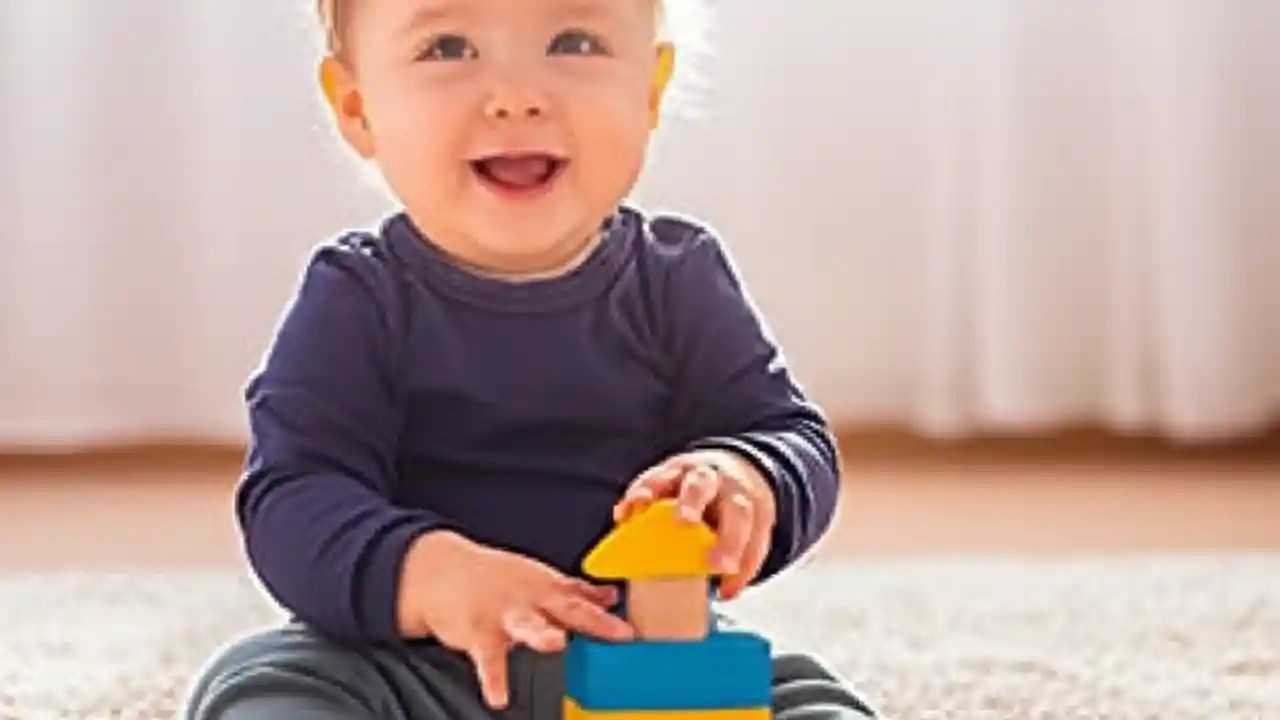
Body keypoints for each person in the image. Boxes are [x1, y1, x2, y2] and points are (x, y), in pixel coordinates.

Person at [183, 0, 877, 717]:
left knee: (805, 696)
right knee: (264, 688)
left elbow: (788, 436)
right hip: (410, 670)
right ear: (358, 109)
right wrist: (428, 575)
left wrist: (742, 475)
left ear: (651, 91)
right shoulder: (358, 297)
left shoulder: (679, 277)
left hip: (642, 657)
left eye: (574, 40)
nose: (517, 97)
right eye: (448, 47)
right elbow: (293, 497)